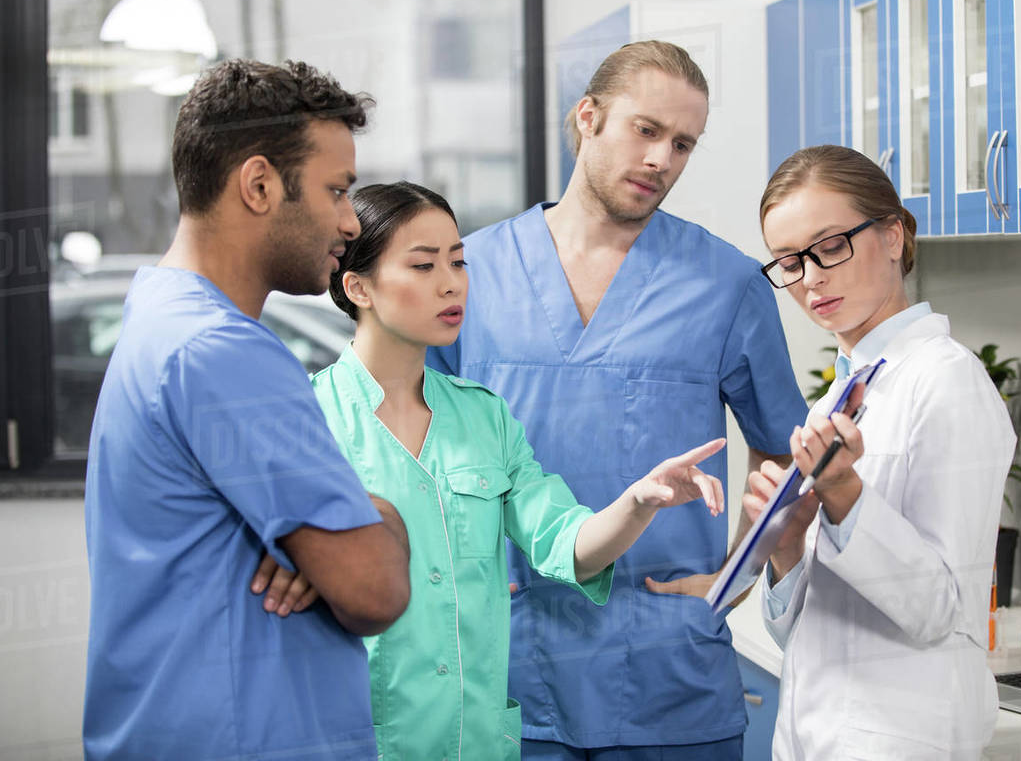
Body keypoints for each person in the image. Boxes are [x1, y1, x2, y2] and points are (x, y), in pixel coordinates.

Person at [428, 40, 809, 758]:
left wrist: (735, 577)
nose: (662, 158)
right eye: (646, 130)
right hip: (509, 659)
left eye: (683, 144)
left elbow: (784, 454)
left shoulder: (726, 286)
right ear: (588, 117)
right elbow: (415, 443)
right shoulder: (471, 273)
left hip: (665, 671)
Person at [310, 180, 728, 760]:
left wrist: (639, 501)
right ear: (359, 287)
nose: (451, 282)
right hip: (367, 740)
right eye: (424, 265)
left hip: (476, 741)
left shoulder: (484, 417)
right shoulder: (309, 423)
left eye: (458, 261)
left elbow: (565, 542)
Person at [82, 59, 411, 761]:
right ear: (260, 185)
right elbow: (375, 589)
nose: (351, 222)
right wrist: (380, 518)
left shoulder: (159, 317)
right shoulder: (224, 351)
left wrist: (328, 541)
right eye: (337, 191)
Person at [748, 144, 1016, 759]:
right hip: (814, 734)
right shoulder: (835, 400)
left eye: (830, 245)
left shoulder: (948, 381)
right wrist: (786, 548)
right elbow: (805, 633)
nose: (810, 277)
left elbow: (940, 610)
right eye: (788, 260)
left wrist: (844, 495)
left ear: (892, 235)